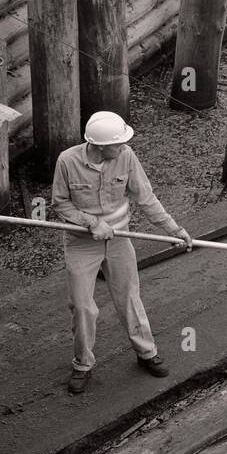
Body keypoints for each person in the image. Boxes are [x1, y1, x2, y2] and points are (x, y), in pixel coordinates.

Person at [51, 111, 193, 395]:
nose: (124, 146)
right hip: (82, 242)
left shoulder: (126, 156)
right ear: (100, 146)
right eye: (117, 143)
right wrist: (92, 223)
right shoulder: (67, 161)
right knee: (81, 306)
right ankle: (83, 364)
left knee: (128, 296)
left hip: (119, 238)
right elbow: (60, 204)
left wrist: (174, 230)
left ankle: (146, 352)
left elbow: (145, 197)